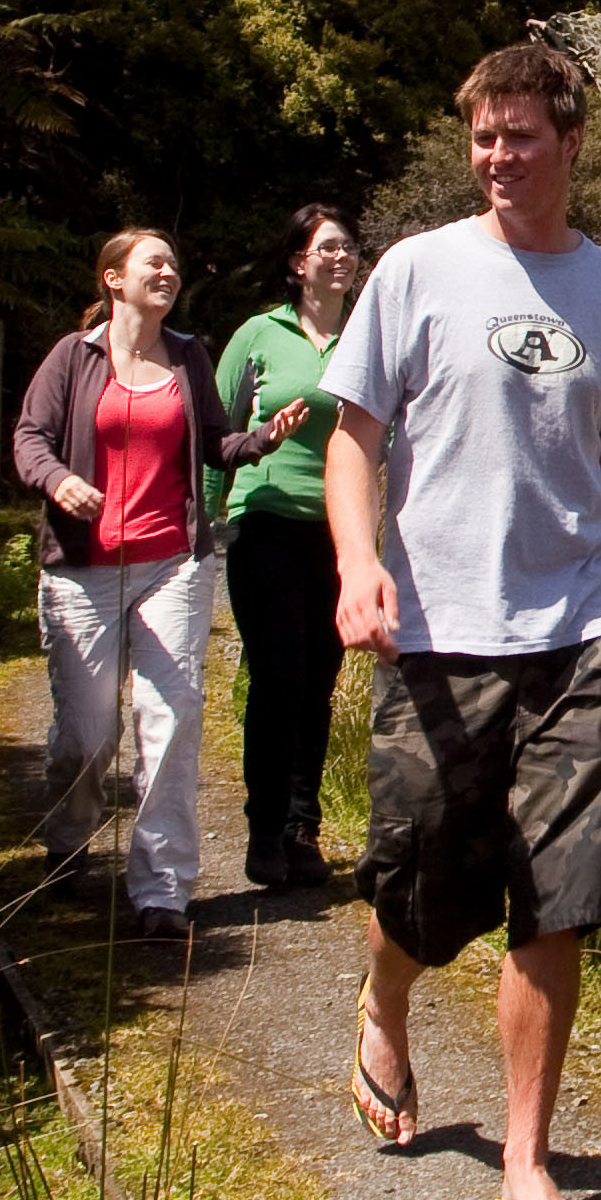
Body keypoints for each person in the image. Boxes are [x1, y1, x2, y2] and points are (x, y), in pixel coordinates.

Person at [322, 40, 601, 1200]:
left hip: (575, 631)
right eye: (484, 137)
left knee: (555, 897)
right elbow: (355, 440)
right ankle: (388, 991)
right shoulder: (417, 273)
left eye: (521, 136)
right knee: (421, 880)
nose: (498, 157)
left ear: (571, 145)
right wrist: (360, 569)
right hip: (436, 626)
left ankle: (526, 1157)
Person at [10, 227, 272, 930]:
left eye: (174, 263)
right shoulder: (74, 357)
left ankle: (162, 892)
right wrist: (59, 480)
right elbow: (29, 437)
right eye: (154, 261)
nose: (169, 271)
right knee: (87, 736)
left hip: (172, 565)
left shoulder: (188, 356)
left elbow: (214, 441)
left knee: (172, 719)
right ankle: (69, 843)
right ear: (114, 279)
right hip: (83, 572)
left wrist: (261, 440)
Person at [214, 204, 358, 896]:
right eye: (326, 247)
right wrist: (203, 515)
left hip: (336, 531)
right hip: (263, 519)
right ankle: (265, 828)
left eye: (346, 247)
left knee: (320, 683)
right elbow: (213, 430)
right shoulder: (258, 335)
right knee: (280, 676)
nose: (340, 257)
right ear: (298, 263)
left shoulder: (366, 336)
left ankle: (304, 830)